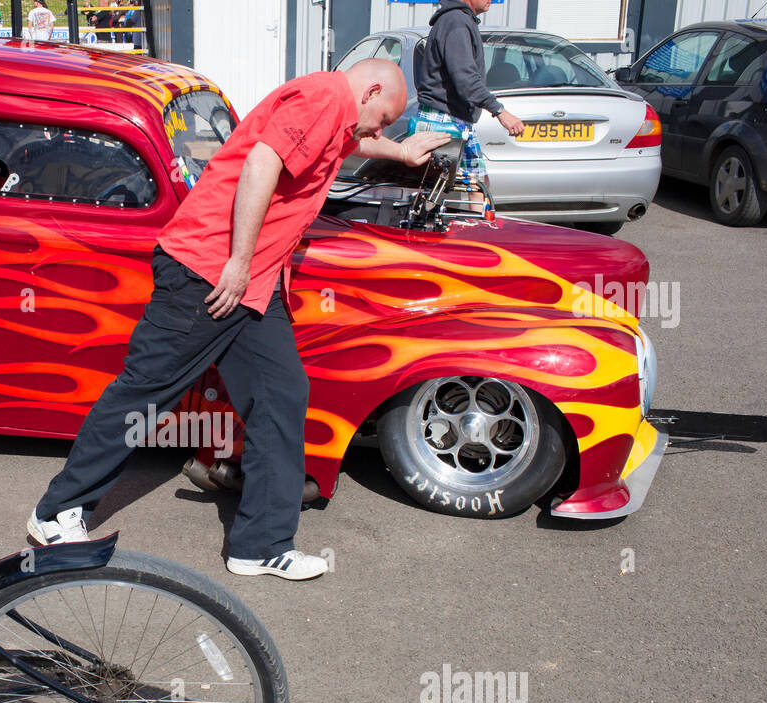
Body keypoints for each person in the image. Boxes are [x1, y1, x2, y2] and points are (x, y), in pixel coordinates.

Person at [28, 60, 448, 581]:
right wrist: (240, 262)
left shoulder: (338, 111)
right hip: (210, 272)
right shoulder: (322, 98)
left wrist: (400, 151)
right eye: (383, 119)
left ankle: (260, 545)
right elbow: (260, 166)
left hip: (252, 282)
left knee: (280, 394)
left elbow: (347, 143)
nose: (378, 130)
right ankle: (55, 514)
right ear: (372, 89)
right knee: (145, 392)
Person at [414, 0, 524, 195]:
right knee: (434, 191)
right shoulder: (456, 22)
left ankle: (476, 225)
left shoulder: (460, 20)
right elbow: (465, 79)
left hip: (454, 118)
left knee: (477, 184)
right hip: (444, 119)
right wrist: (500, 112)